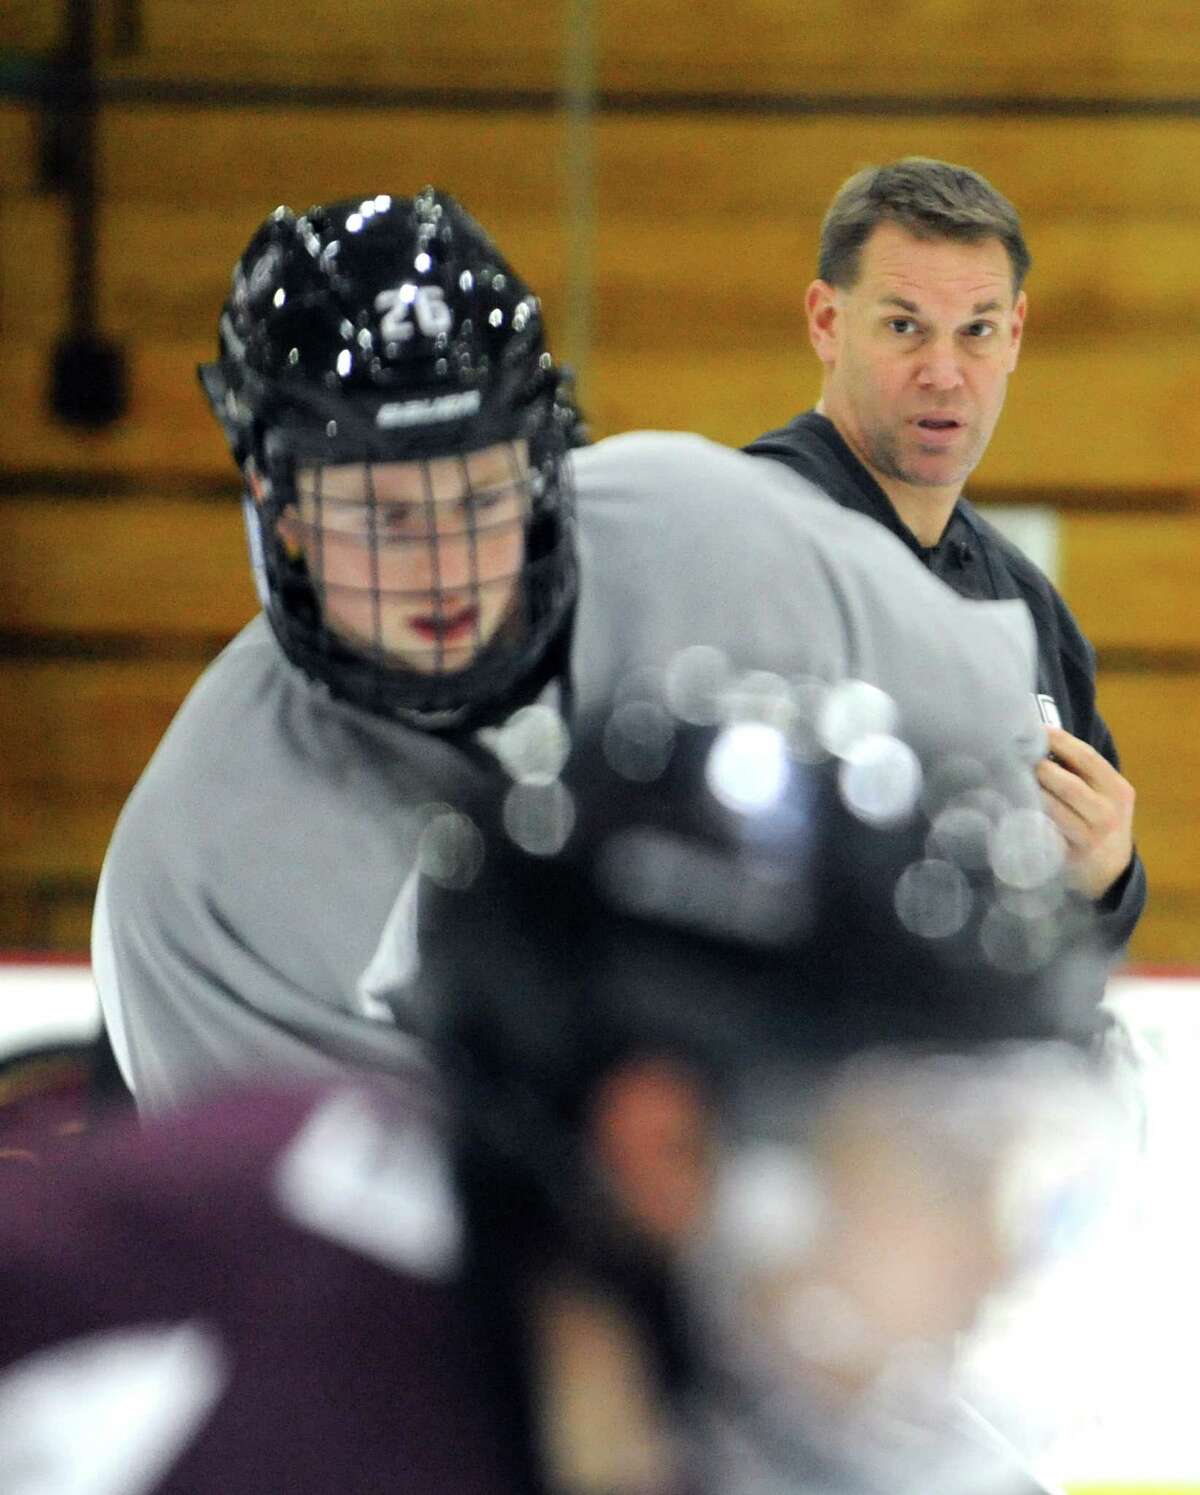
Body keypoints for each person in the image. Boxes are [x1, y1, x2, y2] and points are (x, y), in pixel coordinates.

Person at [95, 187, 1064, 1114]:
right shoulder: (199, 867)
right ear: (282, 514)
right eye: (384, 518)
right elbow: (309, 1234)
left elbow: (998, 775)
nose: (447, 571)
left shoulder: (718, 539)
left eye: (481, 500)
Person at [0, 710, 1131, 1493]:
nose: (991, 1252)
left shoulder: (703, 1394)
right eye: (942, 1163)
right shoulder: (202, 1380)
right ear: (667, 1149)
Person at [744, 156, 1143, 952]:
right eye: (904, 326)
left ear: (1015, 334)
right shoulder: (746, 537)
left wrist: (1107, 878)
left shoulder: (1024, 606)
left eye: (977, 331)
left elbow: (1063, 947)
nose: (944, 373)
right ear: (826, 321)